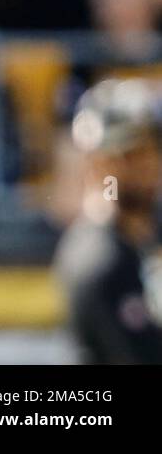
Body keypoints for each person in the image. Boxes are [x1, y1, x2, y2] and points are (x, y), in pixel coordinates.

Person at [54, 78, 162, 364]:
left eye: (152, 148)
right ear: (97, 162)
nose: (147, 164)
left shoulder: (145, 231)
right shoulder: (99, 258)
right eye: (128, 154)